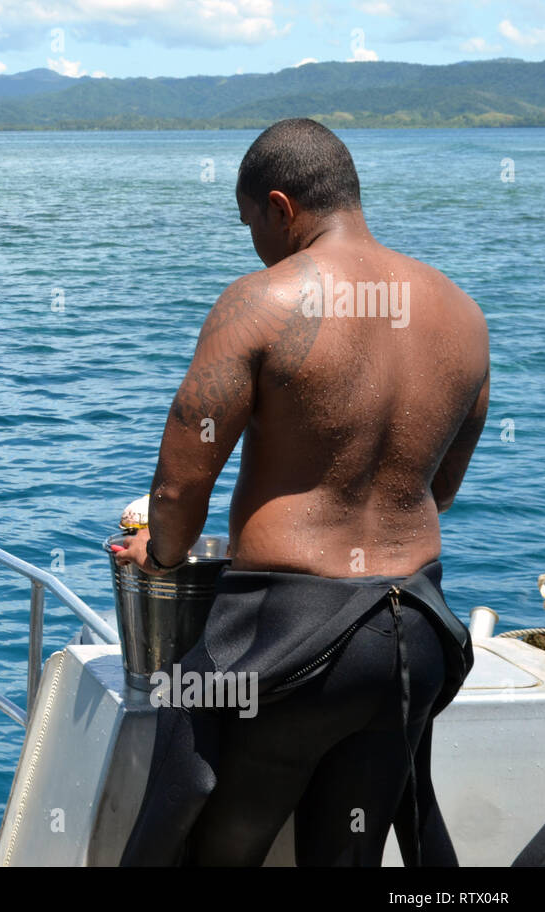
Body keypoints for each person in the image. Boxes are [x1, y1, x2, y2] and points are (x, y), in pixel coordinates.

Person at [113, 118, 487, 866]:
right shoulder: (462, 315)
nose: (253, 241)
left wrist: (160, 554)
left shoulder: (261, 303)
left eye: (251, 222)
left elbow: (180, 486)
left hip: (289, 640)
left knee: (216, 848)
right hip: (413, 636)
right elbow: (439, 491)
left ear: (280, 208)